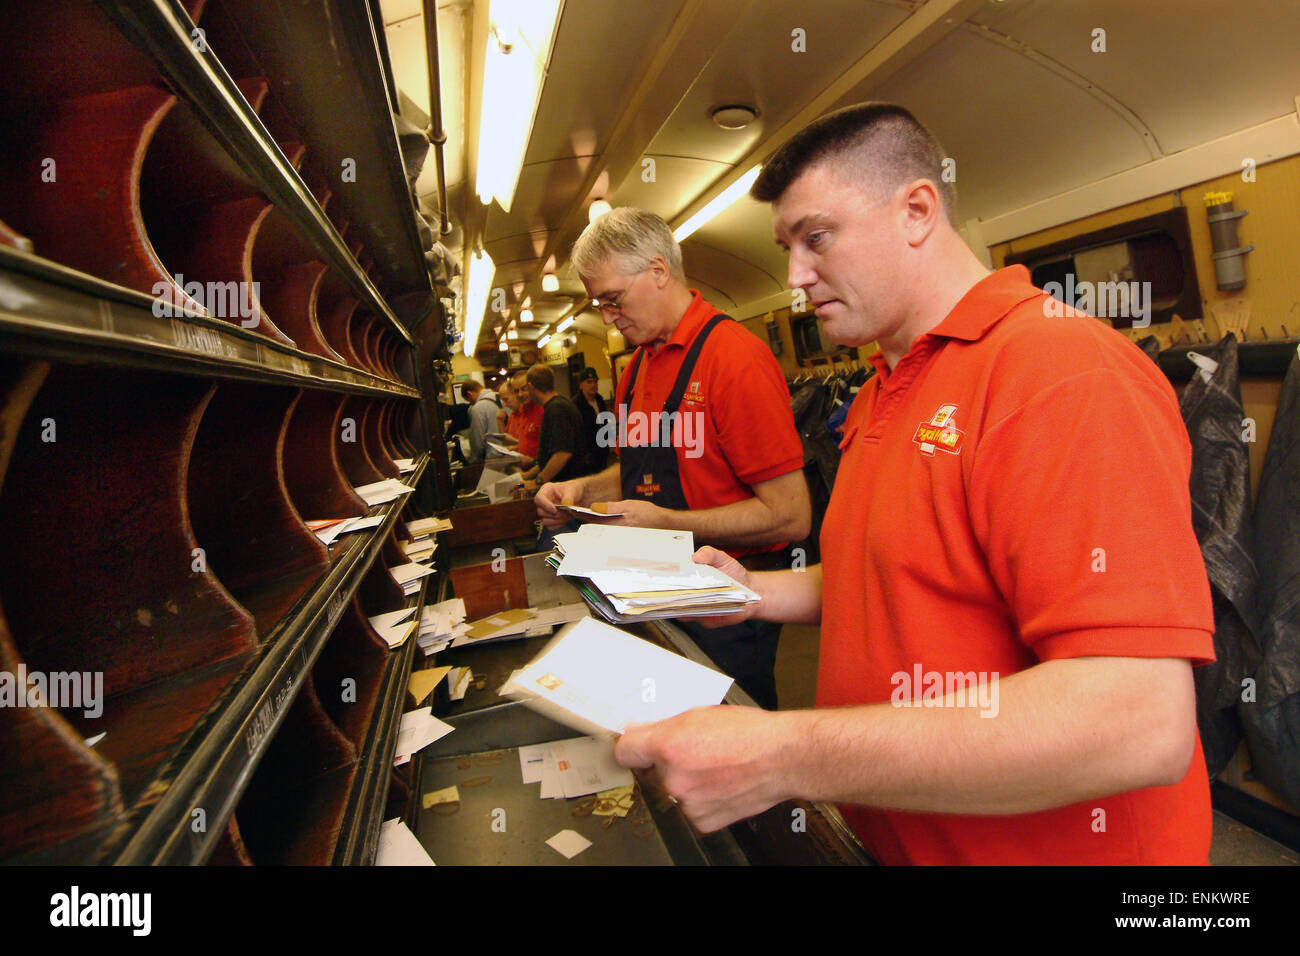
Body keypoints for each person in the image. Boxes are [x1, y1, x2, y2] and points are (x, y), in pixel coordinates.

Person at [610, 103, 1217, 865]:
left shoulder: (1062, 376)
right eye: (786, 247)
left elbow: (1137, 722)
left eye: (816, 237)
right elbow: (892, 575)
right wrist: (751, 594)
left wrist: (779, 752)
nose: (795, 277)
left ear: (918, 211)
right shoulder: (886, 384)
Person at [535, 207, 811, 709]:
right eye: (600, 305)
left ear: (658, 272)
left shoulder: (734, 358)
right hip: (657, 591)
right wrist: (581, 491)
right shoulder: (636, 366)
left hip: (725, 597)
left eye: (613, 300)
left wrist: (666, 522)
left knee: (733, 744)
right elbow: (639, 468)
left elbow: (790, 516)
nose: (609, 318)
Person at [520, 364, 583, 487]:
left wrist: (537, 482)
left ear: (530, 387)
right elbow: (548, 458)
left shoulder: (557, 408)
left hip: (566, 484)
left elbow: (562, 454)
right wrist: (526, 476)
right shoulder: (556, 406)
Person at [574, 366, 609, 476]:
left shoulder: (599, 400)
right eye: (589, 382)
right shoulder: (576, 405)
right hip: (586, 458)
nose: (593, 385)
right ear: (581, 385)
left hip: (602, 453)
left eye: (595, 382)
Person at [506, 369, 543, 463]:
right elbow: (530, 442)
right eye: (516, 391)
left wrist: (532, 462)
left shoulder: (543, 410)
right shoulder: (522, 411)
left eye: (524, 389)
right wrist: (517, 448)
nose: (520, 394)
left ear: (532, 387)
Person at [462, 380, 500, 463]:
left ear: (469, 394)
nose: (471, 403)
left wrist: (473, 461)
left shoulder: (477, 408)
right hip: (512, 452)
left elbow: (477, 441)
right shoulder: (502, 397)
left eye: (469, 400)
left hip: (493, 458)